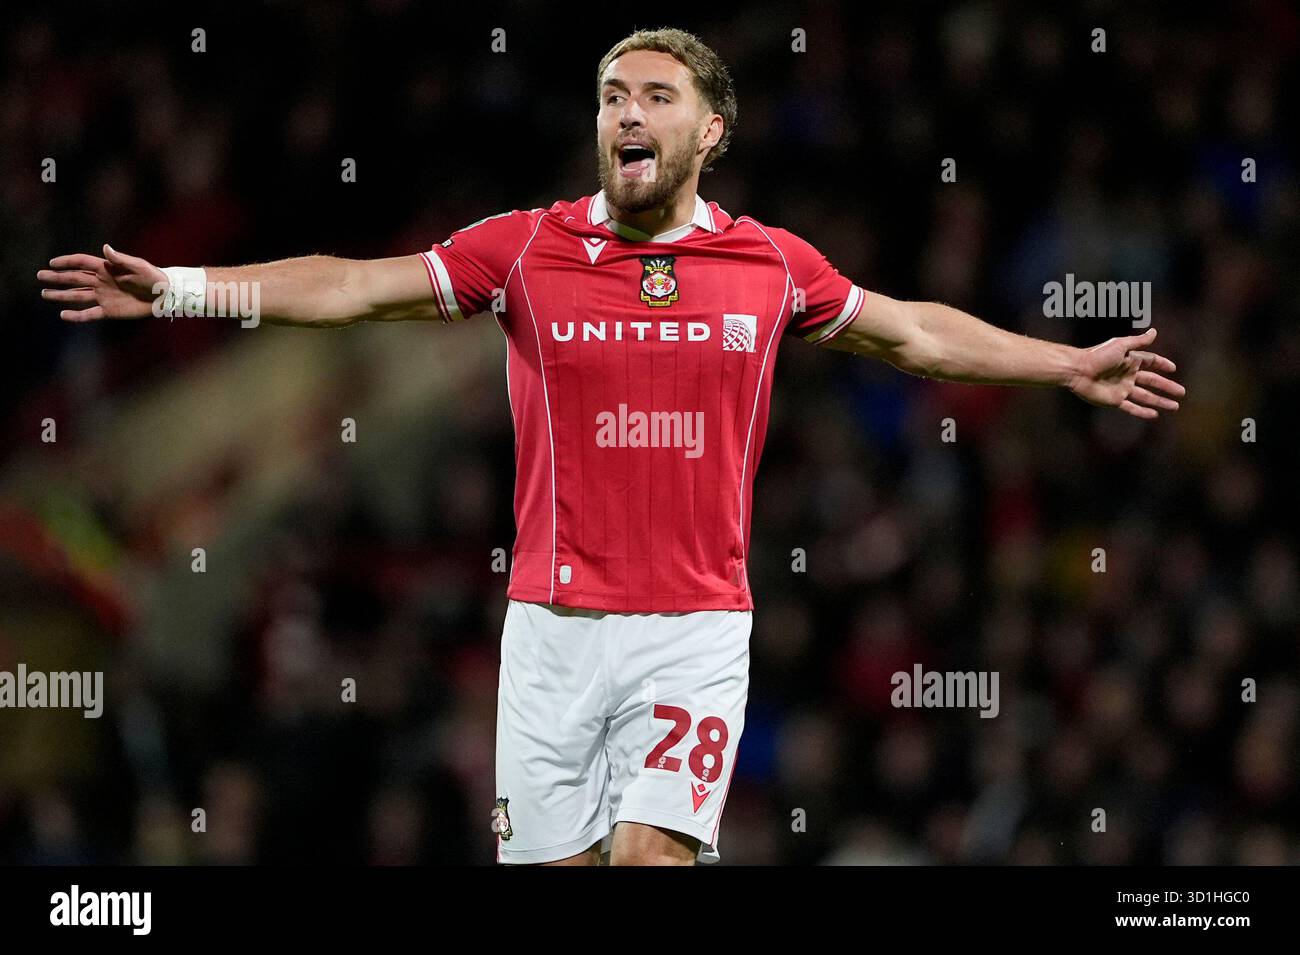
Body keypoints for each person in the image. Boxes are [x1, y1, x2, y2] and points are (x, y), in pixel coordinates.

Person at [36, 27, 1184, 866]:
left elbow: (916, 332)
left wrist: (1062, 362)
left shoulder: (771, 264)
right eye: (611, 96)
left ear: (711, 129)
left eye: (656, 95)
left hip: (691, 628)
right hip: (548, 635)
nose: (627, 113)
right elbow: (352, 286)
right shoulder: (526, 250)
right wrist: (179, 288)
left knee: (649, 860)